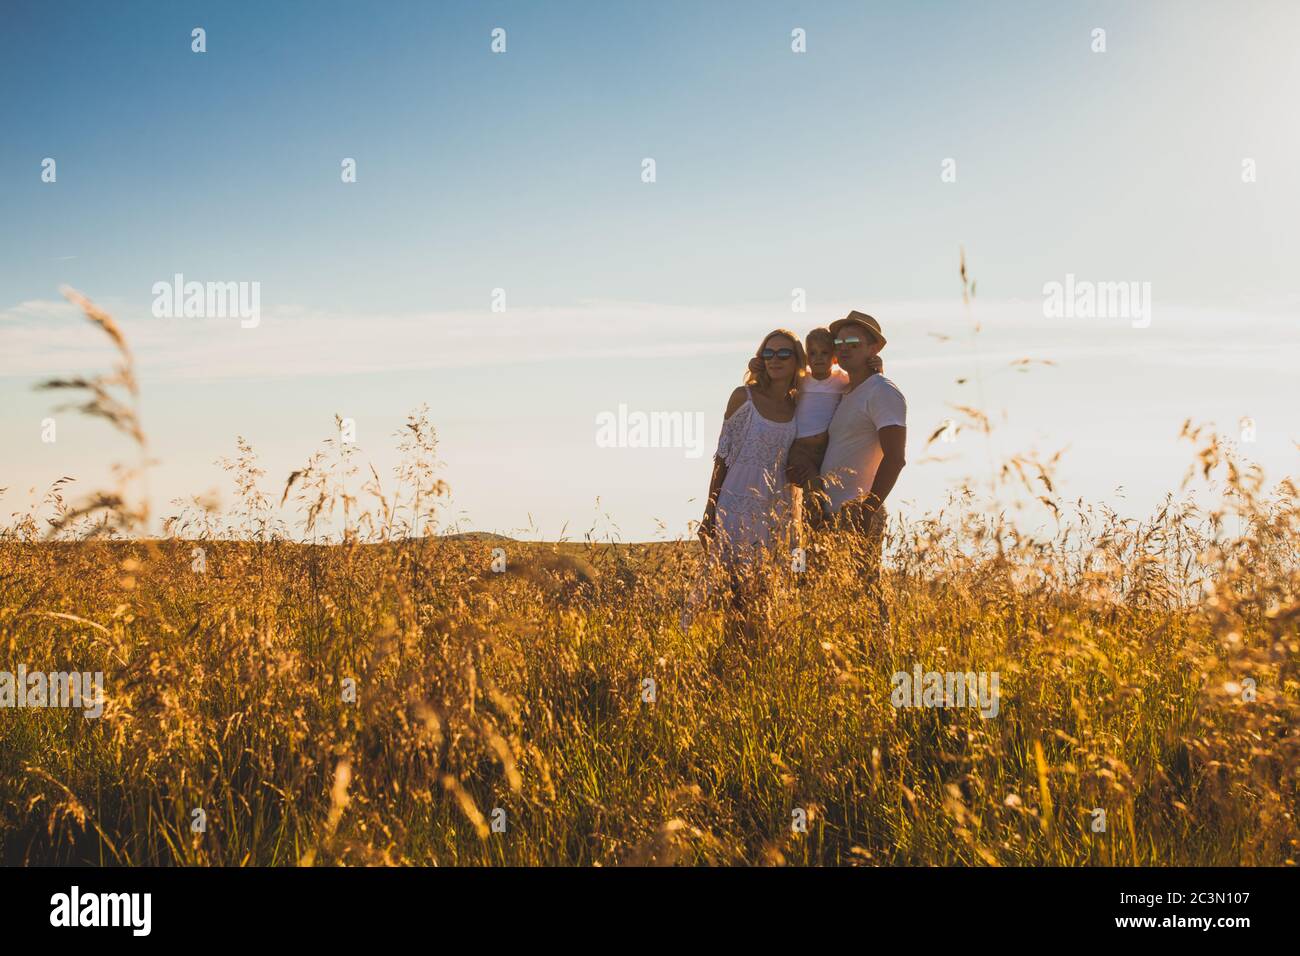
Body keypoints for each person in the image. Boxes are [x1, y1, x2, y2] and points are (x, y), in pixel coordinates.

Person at [694, 330, 803, 634]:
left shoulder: (799, 406)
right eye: (769, 354)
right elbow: (723, 456)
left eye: (784, 354)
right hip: (735, 505)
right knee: (735, 594)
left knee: (765, 593)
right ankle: (730, 660)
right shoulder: (744, 397)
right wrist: (710, 510)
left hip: (775, 510)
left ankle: (759, 661)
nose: (775, 360)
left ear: (797, 361)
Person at [816, 311, 907, 629]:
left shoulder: (882, 391)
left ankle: (880, 659)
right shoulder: (845, 392)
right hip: (827, 514)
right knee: (834, 601)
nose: (844, 347)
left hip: (857, 510)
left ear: (873, 349)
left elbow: (895, 458)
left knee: (864, 592)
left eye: (854, 341)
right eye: (839, 342)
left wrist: (867, 508)